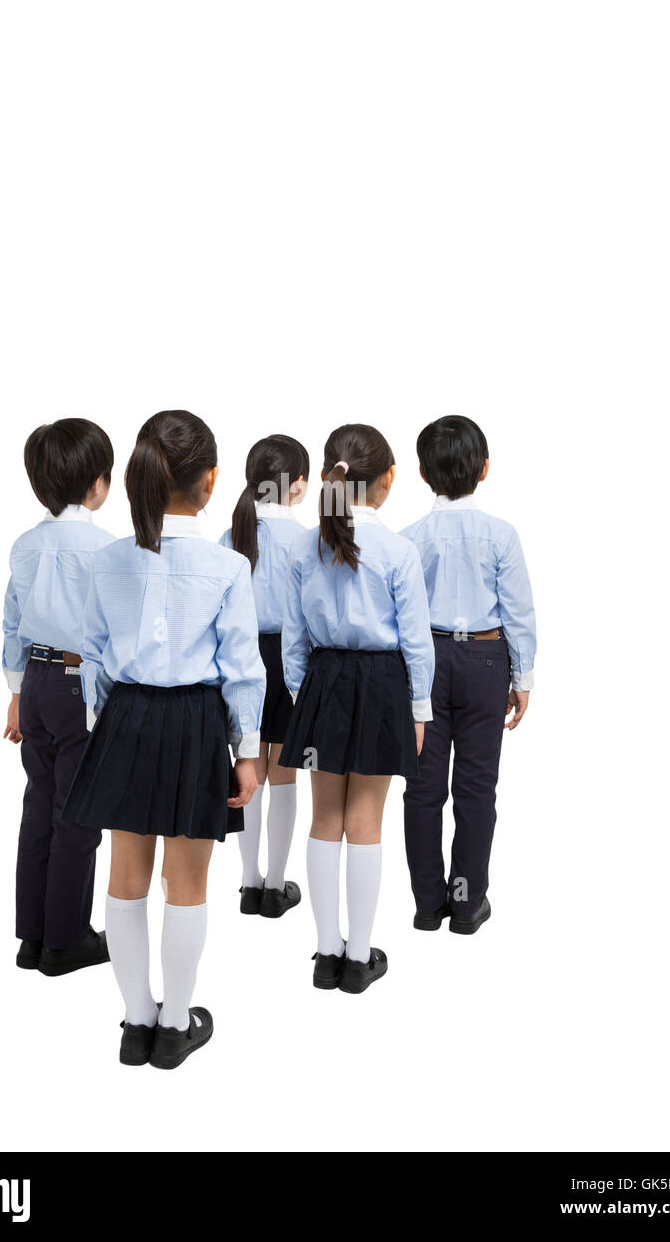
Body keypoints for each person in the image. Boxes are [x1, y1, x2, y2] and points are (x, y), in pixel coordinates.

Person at [63, 410, 265, 1069]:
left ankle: (135, 1021)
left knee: (124, 876)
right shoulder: (228, 566)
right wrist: (249, 752)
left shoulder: (108, 559)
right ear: (210, 481)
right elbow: (242, 669)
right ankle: (175, 1026)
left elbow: (90, 657)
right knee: (186, 881)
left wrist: (107, 725)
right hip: (194, 723)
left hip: (124, 718)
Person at [281, 424, 434, 994]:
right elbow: (416, 641)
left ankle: (325, 953)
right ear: (388, 479)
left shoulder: (304, 545)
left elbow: (292, 638)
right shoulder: (398, 550)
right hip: (382, 683)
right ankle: (360, 956)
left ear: (329, 476)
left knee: (325, 816)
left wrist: (305, 696)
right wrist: (419, 710)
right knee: (366, 819)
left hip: (323, 679)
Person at [401, 415, 536, 934]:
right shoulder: (501, 535)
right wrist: (521, 679)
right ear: (484, 470)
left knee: (422, 789)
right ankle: (467, 903)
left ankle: (428, 904)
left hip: (426, 660)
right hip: (485, 660)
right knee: (477, 789)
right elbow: (518, 611)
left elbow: (402, 616)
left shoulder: (408, 538)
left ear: (420, 471)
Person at [2, 417, 114, 975]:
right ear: (97, 483)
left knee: (40, 806)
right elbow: (115, 631)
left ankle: (34, 935)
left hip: (39, 681)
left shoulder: (25, 545)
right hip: (81, 686)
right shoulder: (107, 548)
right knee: (78, 814)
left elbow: (12, 622)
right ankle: (67, 940)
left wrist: (16, 692)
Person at [220, 434, 309, 918]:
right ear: (297, 485)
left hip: (240, 659)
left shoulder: (230, 535)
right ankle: (276, 885)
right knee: (286, 774)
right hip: (292, 658)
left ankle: (249, 882)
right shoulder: (306, 539)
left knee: (247, 768)